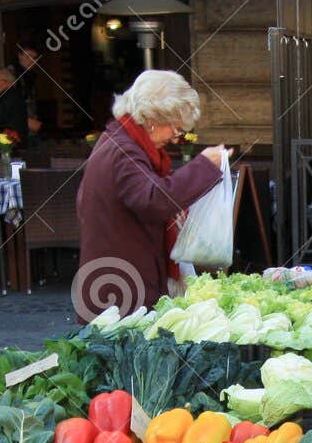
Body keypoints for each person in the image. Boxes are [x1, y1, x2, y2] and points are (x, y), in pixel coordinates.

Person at [76, 70, 230, 313]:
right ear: (152, 118)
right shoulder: (124, 151)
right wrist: (203, 166)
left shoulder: (119, 142)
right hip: (121, 289)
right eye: (176, 128)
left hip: (118, 281)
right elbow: (153, 200)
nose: (176, 138)